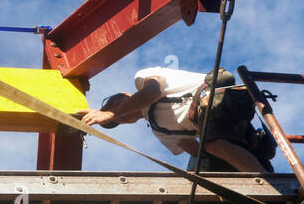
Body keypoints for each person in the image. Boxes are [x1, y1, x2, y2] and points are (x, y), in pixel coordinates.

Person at [78, 65, 273, 173]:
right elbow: (197, 151)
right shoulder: (160, 131)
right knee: (208, 159)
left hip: (221, 97)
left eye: (116, 105)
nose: (121, 116)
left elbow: (153, 91)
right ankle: (258, 186)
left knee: (213, 144)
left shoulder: (143, 78)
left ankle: (265, 184)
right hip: (225, 127)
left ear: (126, 95)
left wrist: (111, 114)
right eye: (119, 121)